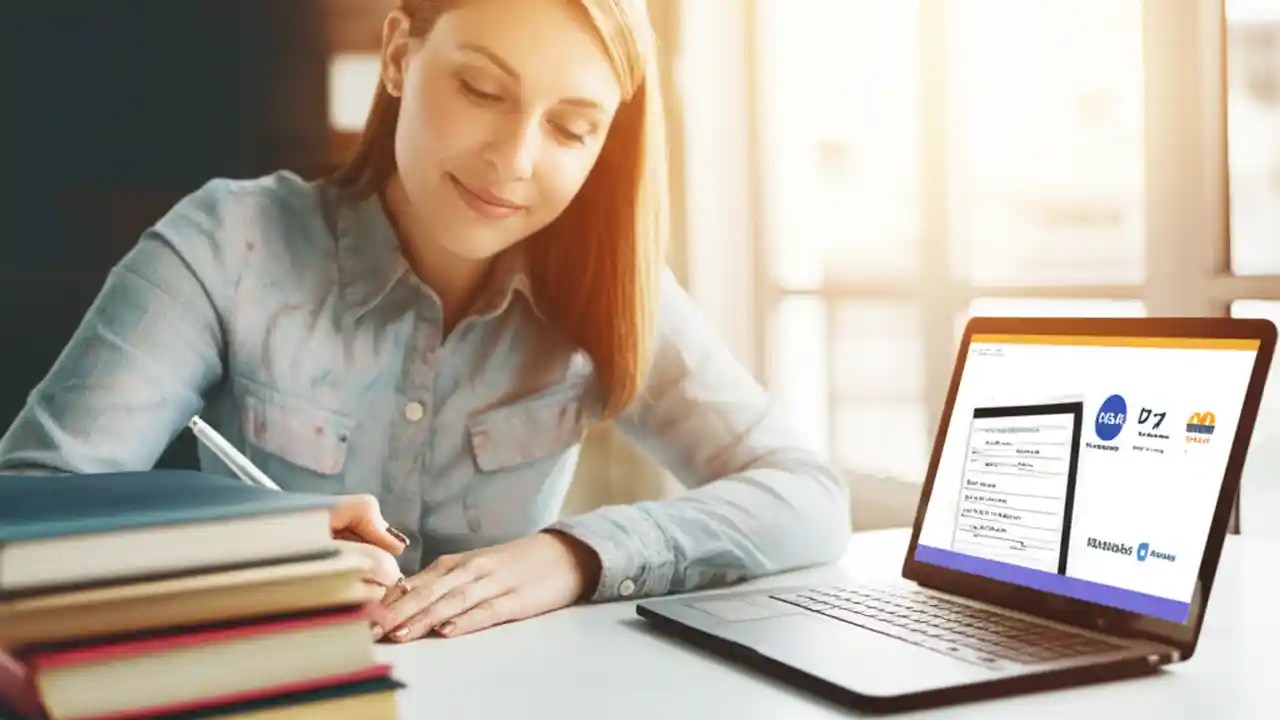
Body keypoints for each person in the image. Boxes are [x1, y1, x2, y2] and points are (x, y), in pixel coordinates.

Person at [0, 0, 851, 643]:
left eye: (571, 127)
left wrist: (573, 556)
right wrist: (251, 552)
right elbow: (23, 519)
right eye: (482, 89)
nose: (513, 162)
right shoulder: (228, 245)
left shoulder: (604, 283)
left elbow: (806, 495)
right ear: (400, 54)